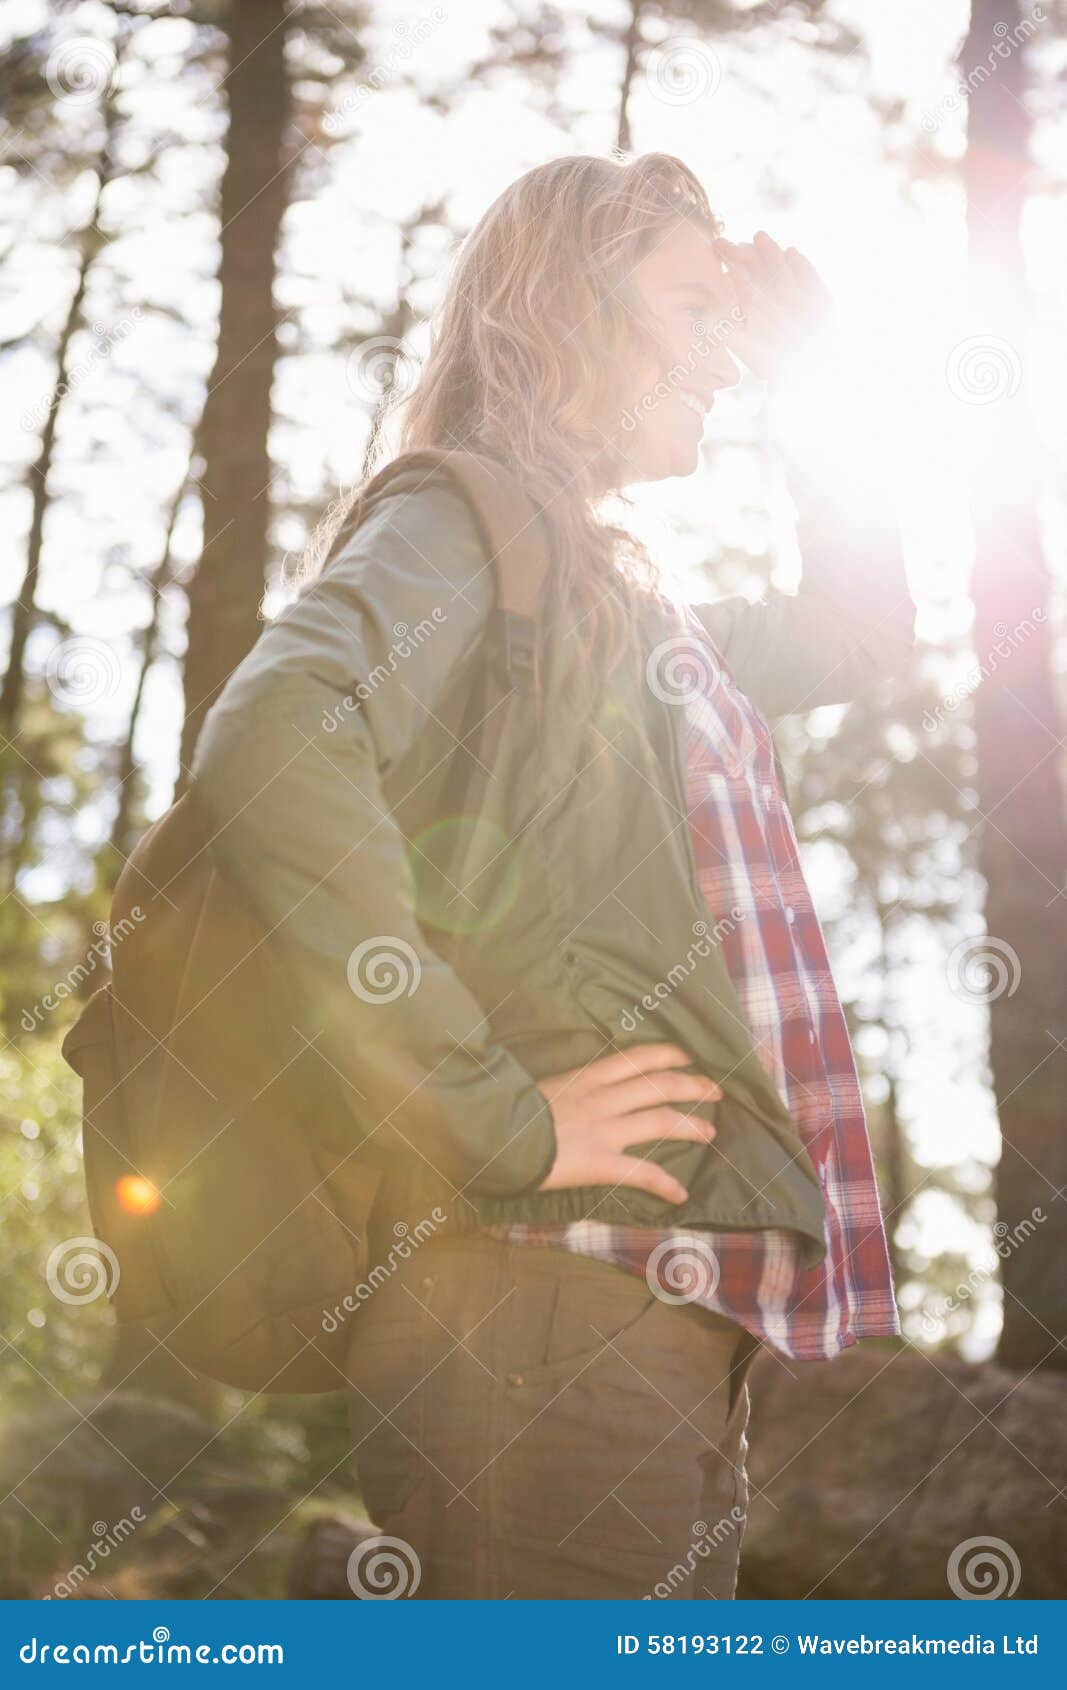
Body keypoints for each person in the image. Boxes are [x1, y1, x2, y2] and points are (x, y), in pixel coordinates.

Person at [191, 152, 913, 1600]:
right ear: (567, 311)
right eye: (694, 309)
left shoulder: (624, 606)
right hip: (538, 1298)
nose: (719, 356)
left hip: (647, 1319)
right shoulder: (468, 520)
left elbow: (858, 641)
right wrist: (490, 1113)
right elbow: (273, 740)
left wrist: (813, 381)